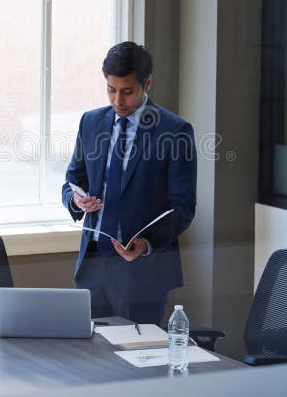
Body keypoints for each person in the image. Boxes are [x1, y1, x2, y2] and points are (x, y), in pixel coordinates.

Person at [62, 41, 197, 325]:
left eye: (127, 92)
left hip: (142, 270)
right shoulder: (91, 122)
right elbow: (73, 180)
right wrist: (76, 199)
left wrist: (146, 243)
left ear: (147, 83)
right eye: (111, 90)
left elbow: (183, 207)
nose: (117, 101)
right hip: (93, 264)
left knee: (135, 361)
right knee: (85, 358)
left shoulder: (174, 131)